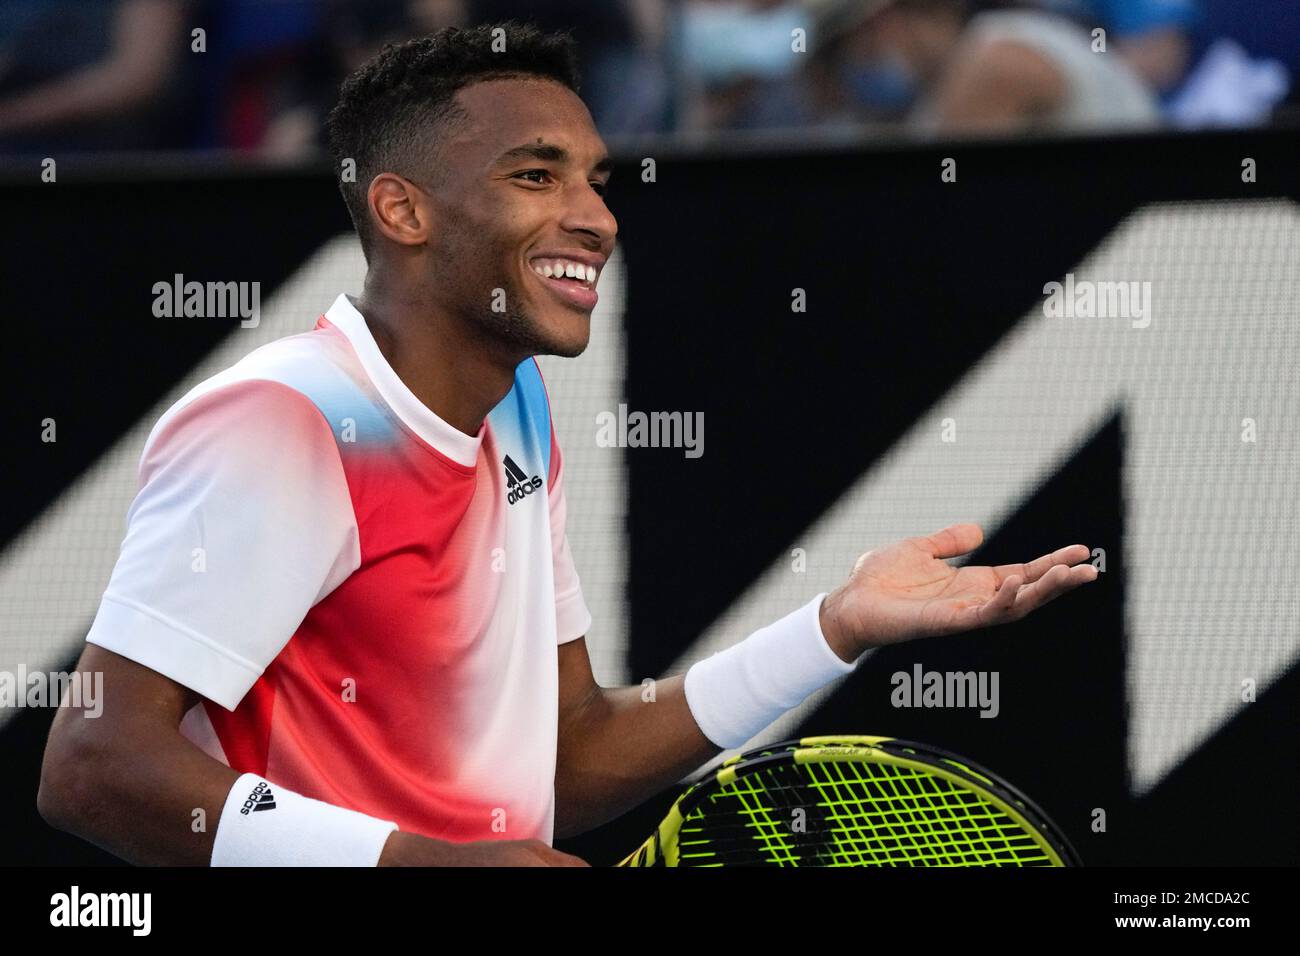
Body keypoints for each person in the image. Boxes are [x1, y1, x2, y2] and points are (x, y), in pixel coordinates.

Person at [38, 21, 1097, 867]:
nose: (597, 215)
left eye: (594, 177)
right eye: (537, 176)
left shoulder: (517, 406)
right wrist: (424, 866)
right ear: (402, 210)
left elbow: (571, 748)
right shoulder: (290, 417)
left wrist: (833, 625)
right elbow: (94, 764)